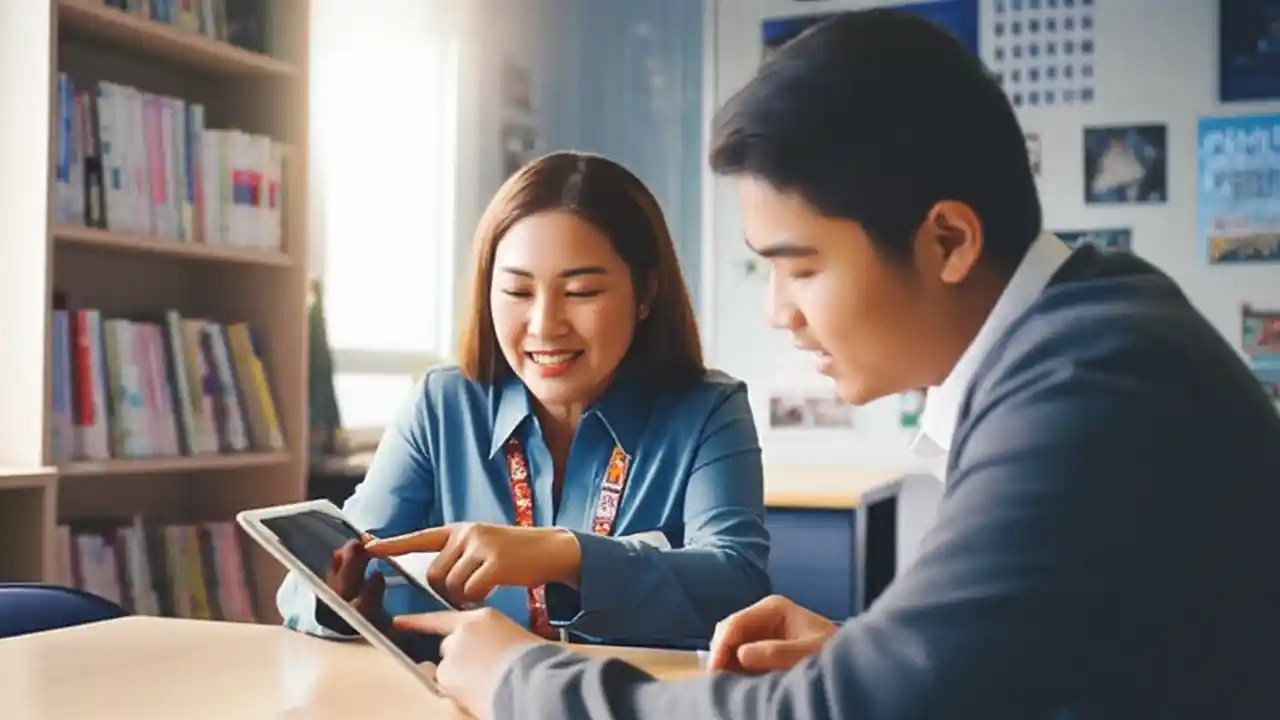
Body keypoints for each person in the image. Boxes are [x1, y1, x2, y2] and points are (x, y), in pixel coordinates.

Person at [391, 9, 1280, 719]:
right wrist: (862, 645)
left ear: (948, 240)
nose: (779, 311)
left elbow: (840, 712)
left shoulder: (1089, 389)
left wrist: (521, 683)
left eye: (801, 266)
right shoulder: (1089, 332)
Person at [276, 151, 771, 648]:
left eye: (580, 292)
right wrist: (338, 603)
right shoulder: (442, 406)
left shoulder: (708, 409)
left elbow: (738, 585)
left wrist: (564, 556)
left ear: (645, 292)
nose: (544, 325)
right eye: (516, 291)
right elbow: (303, 587)